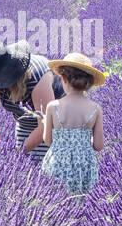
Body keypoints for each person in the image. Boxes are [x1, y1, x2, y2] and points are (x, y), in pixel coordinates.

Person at [0, 40, 64, 161]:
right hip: (25, 124)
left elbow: (47, 123)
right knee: (25, 167)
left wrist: (19, 153)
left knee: (47, 172)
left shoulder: (36, 77)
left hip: (57, 127)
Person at [40, 53, 106, 195]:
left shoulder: (53, 106)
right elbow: (99, 146)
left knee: (57, 200)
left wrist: (46, 122)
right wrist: (82, 139)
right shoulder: (95, 109)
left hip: (57, 163)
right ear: (89, 83)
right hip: (84, 165)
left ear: (63, 79)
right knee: (84, 202)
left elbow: (48, 141)